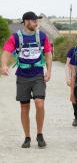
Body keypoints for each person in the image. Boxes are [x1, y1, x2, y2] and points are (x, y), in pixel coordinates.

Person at [1, 11, 52, 148]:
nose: (36, 23)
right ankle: (27, 137)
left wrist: (49, 71)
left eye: (37, 20)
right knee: (24, 107)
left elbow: (48, 54)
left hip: (38, 75)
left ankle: (40, 134)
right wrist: (4, 65)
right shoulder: (15, 37)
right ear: (27, 22)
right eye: (34, 20)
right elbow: (6, 51)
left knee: (39, 103)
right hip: (22, 76)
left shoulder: (42, 36)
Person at [65, 43, 77, 127]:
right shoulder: (72, 50)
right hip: (74, 77)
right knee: (74, 97)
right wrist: (67, 78)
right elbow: (67, 65)